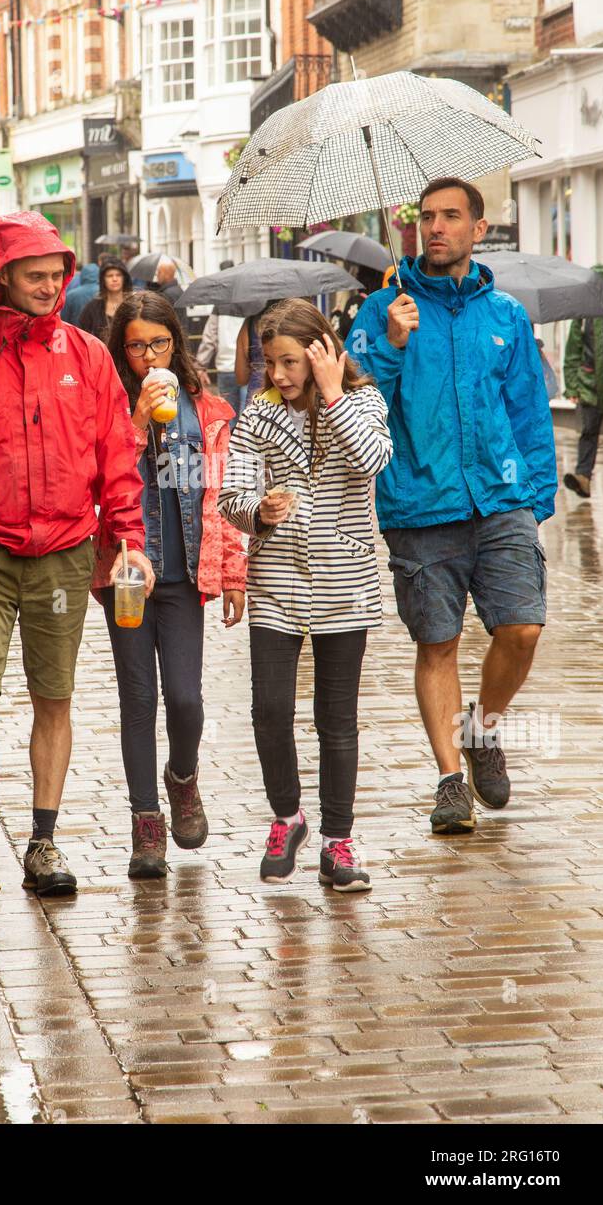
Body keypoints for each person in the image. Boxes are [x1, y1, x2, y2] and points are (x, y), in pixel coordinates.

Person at [0, 211, 153, 906]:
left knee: (54, 696)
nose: (49, 287)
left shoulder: (87, 356)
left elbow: (115, 458)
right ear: (1, 278)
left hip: (67, 549)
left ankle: (43, 841)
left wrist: (125, 538)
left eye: (56, 276)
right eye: (35, 276)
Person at [345, 177, 557, 835]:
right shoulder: (384, 311)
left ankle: (481, 727)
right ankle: (448, 782)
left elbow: (528, 407)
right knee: (437, 643)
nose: (435, 228)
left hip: (501, 498)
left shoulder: (505, 316)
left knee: (520, 629)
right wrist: (388, 341)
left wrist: (538, 493)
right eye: (426, 218)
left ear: (476, 225)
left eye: (449, 217)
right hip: (418, 503)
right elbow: (351, 399)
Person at [219, 299, 392, 890]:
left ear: (321, 353)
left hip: (346, 585)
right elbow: (230, 498)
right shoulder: (257, 416)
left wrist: (333, 393)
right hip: (277, 583)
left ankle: (337, 844)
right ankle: (287, 816)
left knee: (335, 719)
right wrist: (257, 511)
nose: (278, 375)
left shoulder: (364, 402)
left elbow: (372, 461)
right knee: (270, 710)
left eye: (290, 362)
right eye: (271, 363)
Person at [97, 291, 247, 878]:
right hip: (127, 571)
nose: (147, 355)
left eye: (158, 343)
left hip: (185, 573)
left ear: (175, 343)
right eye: (135, 345)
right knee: (137, 701)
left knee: (185, 700)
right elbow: (96, 475)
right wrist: (134, 423)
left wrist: (234, 571)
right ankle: (146, 823)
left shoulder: (207, 410)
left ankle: (182, 777)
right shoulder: (105, 403)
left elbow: (225, 495)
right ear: (122, 348)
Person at [562, 293, 603, 499]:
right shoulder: (583, 314)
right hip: (590, 385)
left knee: (588, 432)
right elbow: (573, 349)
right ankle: (583, 477)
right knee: (588, 431)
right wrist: (572, 386)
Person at [195, 260, 243, 423]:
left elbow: (210, 337)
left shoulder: (220, 305)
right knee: (247, 417)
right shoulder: (253, 303)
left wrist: (200, 366)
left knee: (228, 418)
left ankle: (228, 447)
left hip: (226, 367)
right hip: (247, 369)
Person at [77, 258, 133, 341]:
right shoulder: (92, 307)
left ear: (124, 278)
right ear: (103, 280)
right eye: (110, 276)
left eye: (118, 275)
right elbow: (81, 334)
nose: (114, 279)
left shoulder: (133, 305)